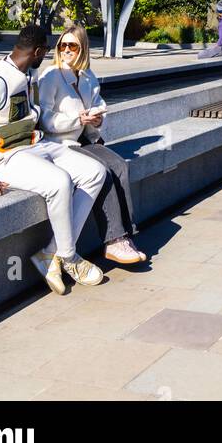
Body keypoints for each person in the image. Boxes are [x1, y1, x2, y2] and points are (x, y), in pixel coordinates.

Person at [0, 23, 106, 295]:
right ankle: (69, 258)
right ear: (38, 51)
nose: (47, 56)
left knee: (95, 171)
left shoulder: (25, 73)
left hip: (33, 147)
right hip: (2, 158)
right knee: (59, 182)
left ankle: (51, 253)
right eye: (46, 52)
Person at [38, 25, 145, 266]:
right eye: (62, 45)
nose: (66, 50)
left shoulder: (88, 77)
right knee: (103, 172)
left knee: (119, 165)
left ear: (82, 49)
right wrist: (77, 119)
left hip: (84, 139)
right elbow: (44, 118)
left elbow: (97, 107)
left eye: (72, 46)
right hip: (61, 143)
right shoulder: (51, 76)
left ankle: (125, 237)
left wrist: (96, 120)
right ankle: (114, 239)